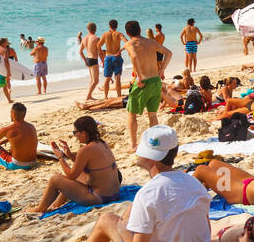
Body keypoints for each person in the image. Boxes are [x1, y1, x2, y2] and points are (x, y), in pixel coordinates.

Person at [58, 125, 211, 242]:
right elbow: (205, 229)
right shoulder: (194, 183)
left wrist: (124, 230)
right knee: (135, 214)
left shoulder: (149, 193)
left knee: (107, 220)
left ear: (150, 156)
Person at [32, 116, 122, 213]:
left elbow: (71, 175)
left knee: (55, 179)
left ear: (83, 133)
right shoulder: (103, 143)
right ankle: (56, 204)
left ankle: (39, 209)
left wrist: (60, 157)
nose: (75, 135)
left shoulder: (86, 150)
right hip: (114, 194)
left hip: (99, 198)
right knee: (77, 176)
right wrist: (70, 156)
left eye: (75, 132)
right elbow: (87, 166)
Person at [123, 19, 172, 151]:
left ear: (127, 33)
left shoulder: (129, 43)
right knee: (152, 114)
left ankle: (133, 145)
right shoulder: (151, 42)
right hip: (155, 80)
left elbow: (133, 56)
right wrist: (162, 70)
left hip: (142, 82)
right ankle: (154, 142)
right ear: (139, 29)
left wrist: (138, 76)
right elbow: (169, 53)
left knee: (132, 113)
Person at [0, 103, 38, 171]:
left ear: (13, 115)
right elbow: (21, 136)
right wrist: (4, 141)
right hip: (33, 162)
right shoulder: (31, 127)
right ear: (24, 115)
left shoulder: (7, 129)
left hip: (17, 165)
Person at [100, 20, 125, 100]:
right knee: (118, 77)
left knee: (107, 78)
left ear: (109, 26)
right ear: (117, 26)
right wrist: (120, 51)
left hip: (108, 57)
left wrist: (102, 57)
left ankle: (106, 97)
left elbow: (98, 46)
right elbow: (127, 42)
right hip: (117, 57)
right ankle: (119, 96)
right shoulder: (119, 34)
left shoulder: (105, 34)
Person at [80, 23, 102, 102]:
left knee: (92, 80)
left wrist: (85, 60)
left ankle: (90, 96)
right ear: (95, 29)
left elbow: (80, 52)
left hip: (88, 59)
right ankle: (88, 96)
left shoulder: (84, 38)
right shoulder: (96, 38)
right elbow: (99, 52)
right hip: (93, 60)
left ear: (87, 29)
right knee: (96, 81)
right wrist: (103, 61)